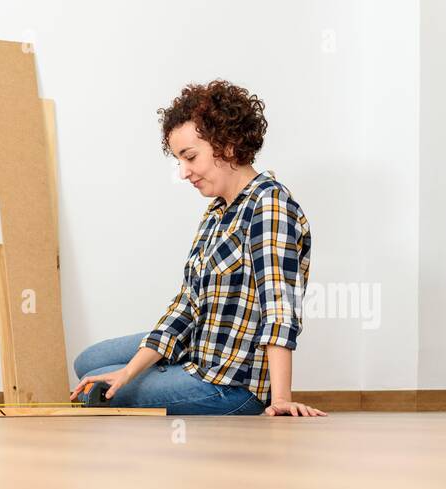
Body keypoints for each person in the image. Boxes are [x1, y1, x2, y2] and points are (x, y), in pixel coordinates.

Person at [71, 80, 325, 417]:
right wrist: (130, 371)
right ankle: (165, 371)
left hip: (230, 385)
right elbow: (187, 304)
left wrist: (279, 400)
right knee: (88, 362)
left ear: (229, 145)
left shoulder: (270, 205)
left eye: (190, 157)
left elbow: (280, 309)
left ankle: (179, 381)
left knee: (91, 382)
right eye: (179, 160)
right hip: (198, 350)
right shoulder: (217, 211)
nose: (184, 172)